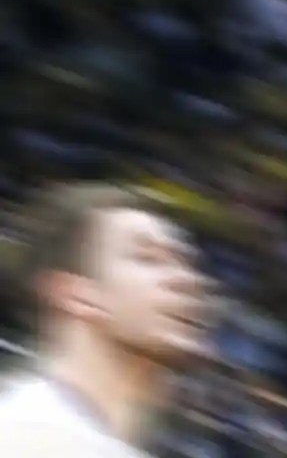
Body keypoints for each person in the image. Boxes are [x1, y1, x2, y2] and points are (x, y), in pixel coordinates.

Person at [0, 183, 210, 456]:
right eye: (148, 258)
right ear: (76, 296)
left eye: (183, 262)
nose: (187, 280)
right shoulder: (25, 437)